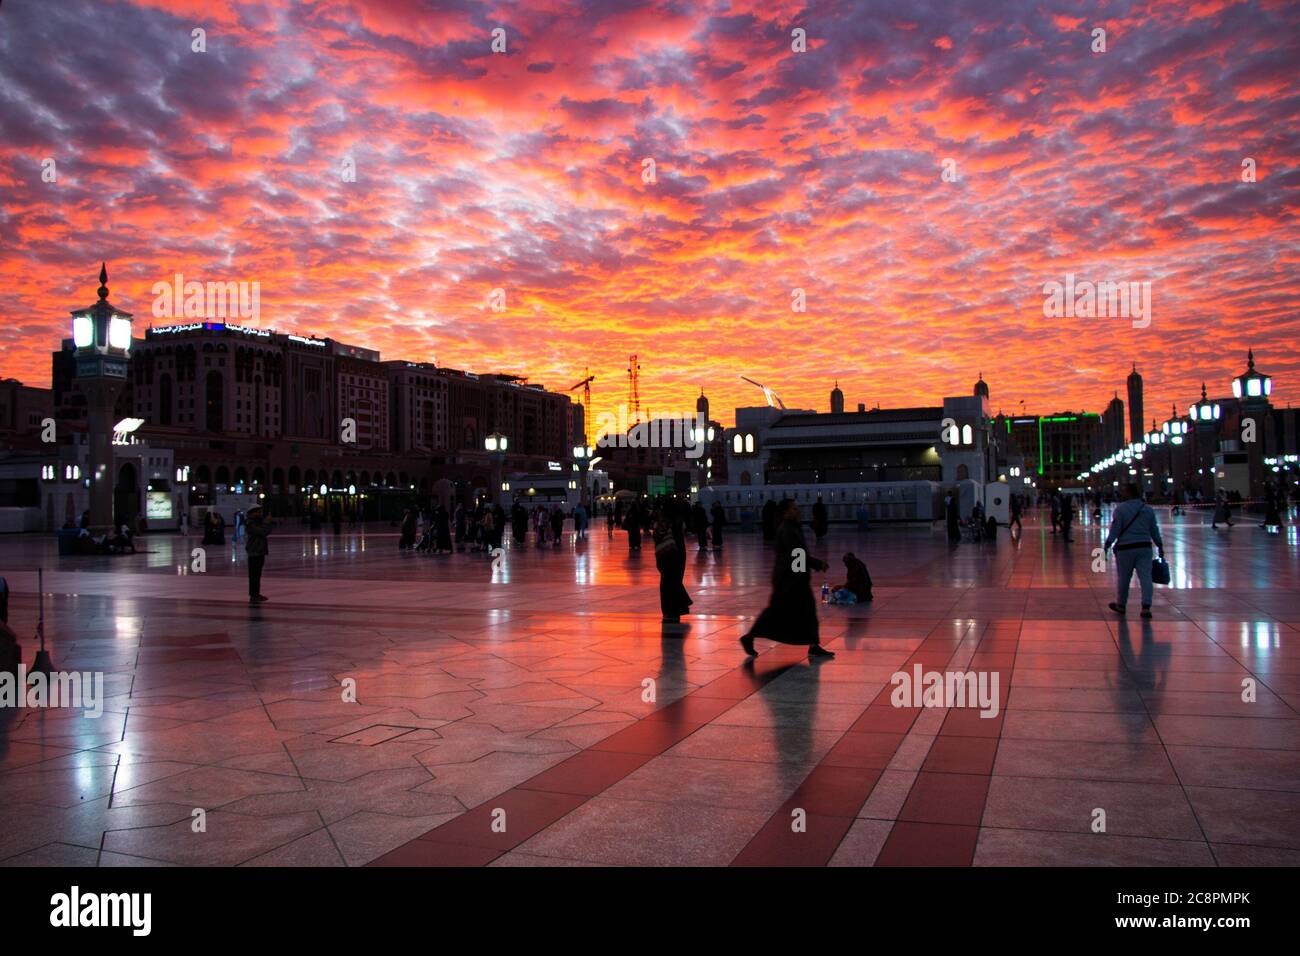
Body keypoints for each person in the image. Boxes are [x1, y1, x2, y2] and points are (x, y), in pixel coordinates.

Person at [741, 499, 834, 659]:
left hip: (792, 578)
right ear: (785, 513)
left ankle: (813, 644)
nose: (797, 511)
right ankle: (749, 637)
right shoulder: (787, 530)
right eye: (794, 509)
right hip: (789, 580)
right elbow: (797, 555)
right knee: (777, 612)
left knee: (807, 610)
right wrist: (815, 565)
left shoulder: (792, 528)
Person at [1104, 483, 1164, 619]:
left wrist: (1108, 543)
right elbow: (1154, 529)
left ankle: (1121, 605)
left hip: (1125, 549)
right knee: (1146, 578)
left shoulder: (1120, 510)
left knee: (1124, 578)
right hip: (1144, 547)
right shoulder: (1147, 509)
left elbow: (1115, 529)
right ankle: (1146, 607)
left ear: (1129, 493)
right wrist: (1159, 545)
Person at [653, 513, 692, 624]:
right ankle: (674, 610)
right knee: (672, 582)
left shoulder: (662, 525)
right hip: (672, 556)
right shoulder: (672, 526)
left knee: (669, 583)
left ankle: (672, 610)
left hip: (665, 557)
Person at [245, 505, 273, 603]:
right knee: (254, 575)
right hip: (254, 552)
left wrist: (267, 523)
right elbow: (263, 532)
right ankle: (253, 595)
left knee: (257, 574)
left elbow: (267, 531)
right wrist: (266, 523)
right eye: (258, 512)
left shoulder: (257, 522)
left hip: (260, 551)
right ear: (253, 512)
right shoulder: (250, 523)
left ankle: (256, 594)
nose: (260, 514)